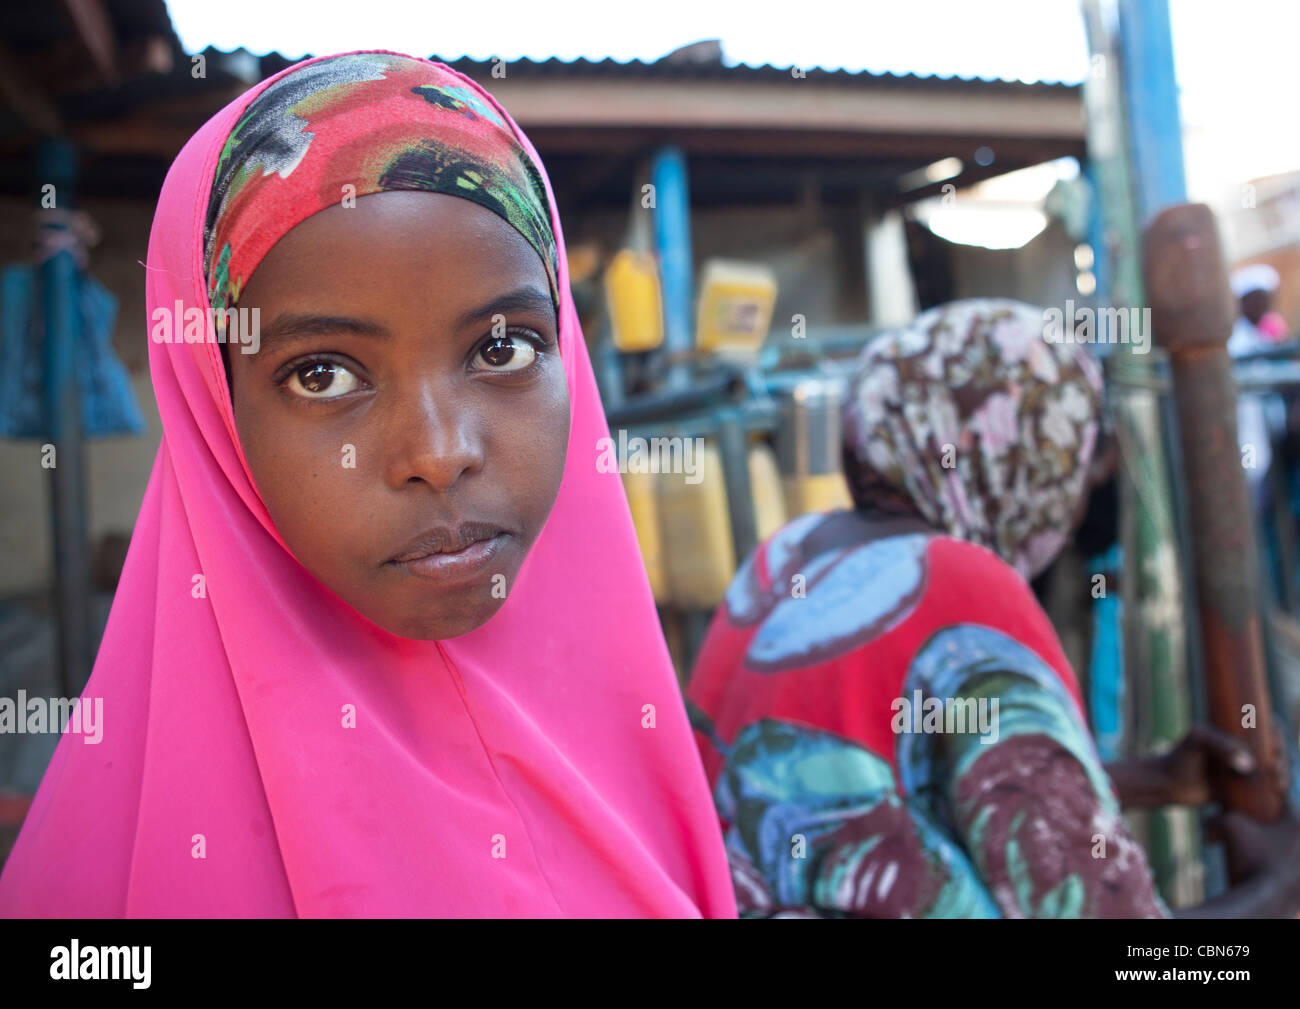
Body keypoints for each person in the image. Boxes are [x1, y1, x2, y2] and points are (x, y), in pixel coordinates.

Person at [0, 52, 736, 918]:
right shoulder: (106, 896)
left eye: (503, 349)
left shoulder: (640, 748)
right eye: (323, 374)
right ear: (217, 414)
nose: (440, 451)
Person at [686, 298, 1300, 918]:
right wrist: (1278, 892)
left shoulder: (780, 560)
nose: (1073, 513)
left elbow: (888, 786)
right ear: (1019, 455)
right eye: (1075, 474)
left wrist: (1151, 781)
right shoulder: (961, 592)